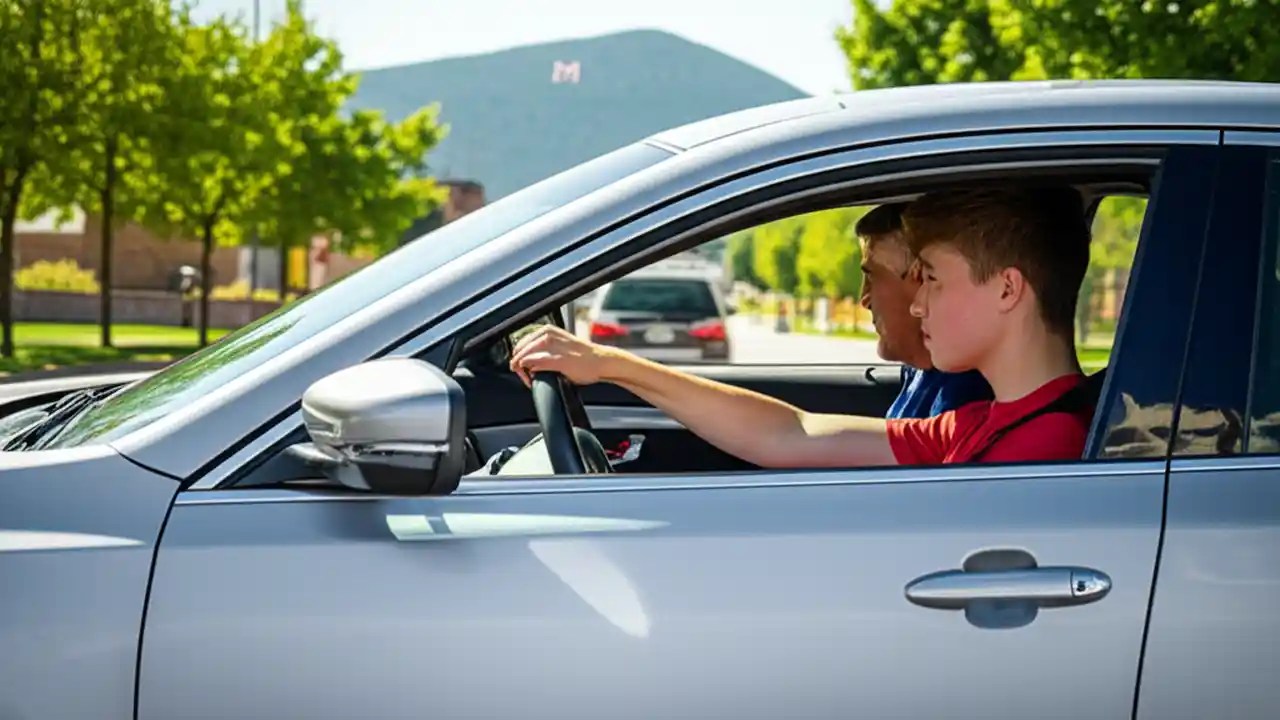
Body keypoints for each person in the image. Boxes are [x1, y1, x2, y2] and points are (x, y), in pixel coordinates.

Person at [511, 185, 1095, 468]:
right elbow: (793, 431)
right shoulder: (976, 426)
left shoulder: (1044, 451)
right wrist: (610, 364)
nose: (918, 306)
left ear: (1007, 289)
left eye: (933, 280)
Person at [854, 203, 993, 419]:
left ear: (921, 279)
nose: (864, 298)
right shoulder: (922, 373)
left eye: (872, 276)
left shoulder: (965, 398)